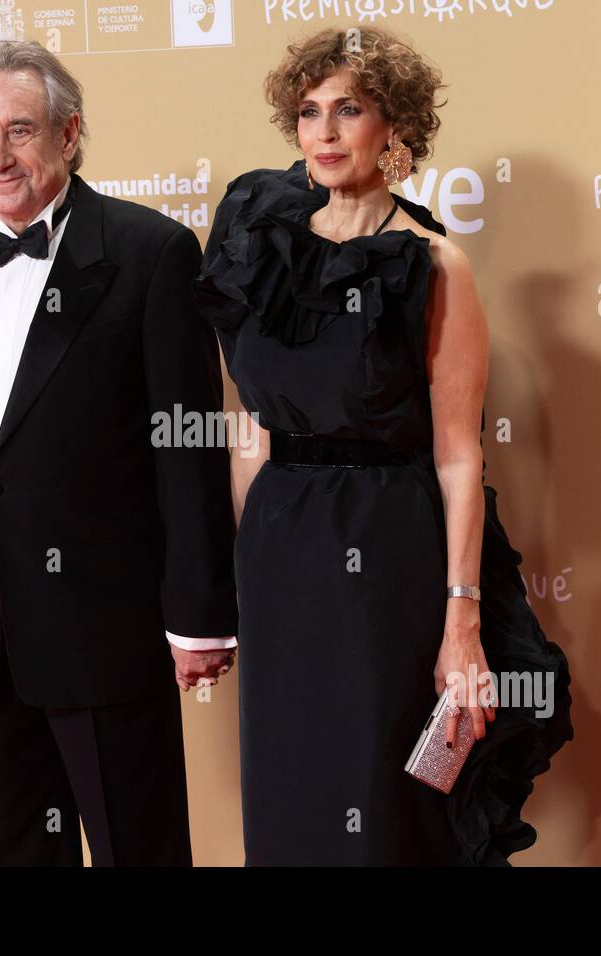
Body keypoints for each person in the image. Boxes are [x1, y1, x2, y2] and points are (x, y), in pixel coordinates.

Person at [193, 27, 574, 865]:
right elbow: (250, 432)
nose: (323, 133)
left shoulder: (435, 264)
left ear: (394, 128)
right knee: (288, 791)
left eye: (349, 110)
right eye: (308, 113)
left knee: (375, 797)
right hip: (279, 554)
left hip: (385, 549)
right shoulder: (262, 245)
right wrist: (225, 588)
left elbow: (459, 455)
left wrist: (461, 622)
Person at [0, 40, 238, 866]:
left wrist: (199, 613)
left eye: (21, 131)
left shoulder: (152, 254)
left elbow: (188, 451)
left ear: (70, 135)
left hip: (109, 633)